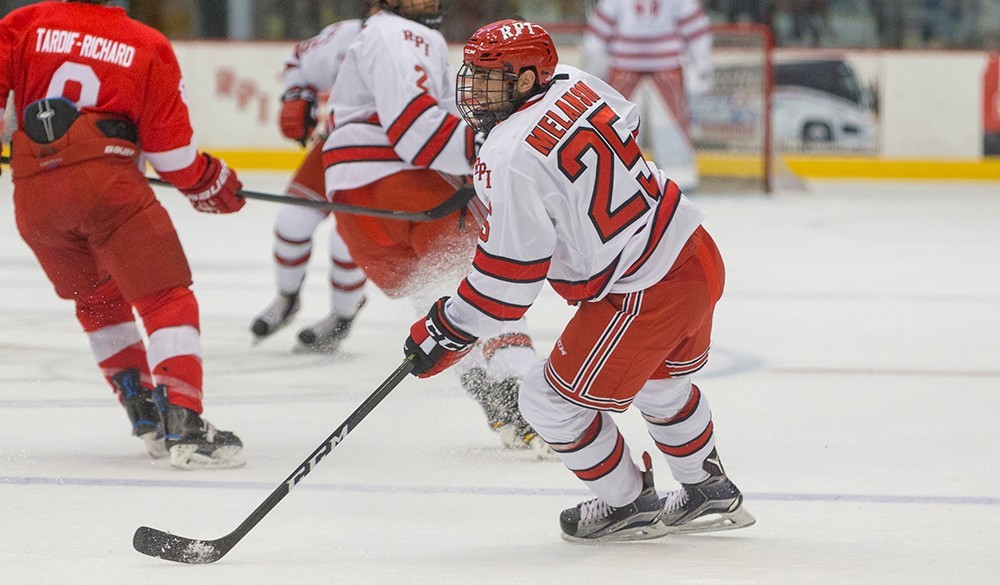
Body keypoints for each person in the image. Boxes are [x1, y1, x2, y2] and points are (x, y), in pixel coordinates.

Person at [403, 19, 755, 541]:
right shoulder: (573, 80)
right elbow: (625, 130)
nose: (474, 88)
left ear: (525, 80)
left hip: (643, 289)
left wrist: (444, 330)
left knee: (547, 402)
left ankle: (626, 501)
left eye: (489, 76)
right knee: (660, 382)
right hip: (694, 252)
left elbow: (509, 280)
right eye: (472, 73)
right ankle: (708, 487)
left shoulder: (508, 155)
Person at [0, 0, 245, 470]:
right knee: (165, 296)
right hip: (108, 188)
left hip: (33, 197)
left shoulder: (25, 22)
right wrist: (211, 181)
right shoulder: (146, 43)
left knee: (97, 301)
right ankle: (185, 423)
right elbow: (171, 155)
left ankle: (148, 415)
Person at [323, 0, 550, 455]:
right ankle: (529, 398)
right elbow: (417, 129)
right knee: (486, 288)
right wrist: (494, 149)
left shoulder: (375, 35)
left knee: (440, 297)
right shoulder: (399, 33)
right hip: (406, 187)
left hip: (357, 211)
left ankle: (495, 397)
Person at [250, 3, 376, 353]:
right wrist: (297, 94)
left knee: (346, 243)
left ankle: (342, 316)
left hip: (389, 160)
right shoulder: (346, 36)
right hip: (335, 145)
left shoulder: (420, 44)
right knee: (292, 221)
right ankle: (287, 299)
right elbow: (299, 62)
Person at [583, 0, 713, 192]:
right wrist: (702, 64)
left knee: (626, 125)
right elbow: (695, 29)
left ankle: (621, 181)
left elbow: (597, 36)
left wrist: (592, 71)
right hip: (650, 64)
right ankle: (671, 180)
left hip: (637, 64)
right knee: (619, 126)